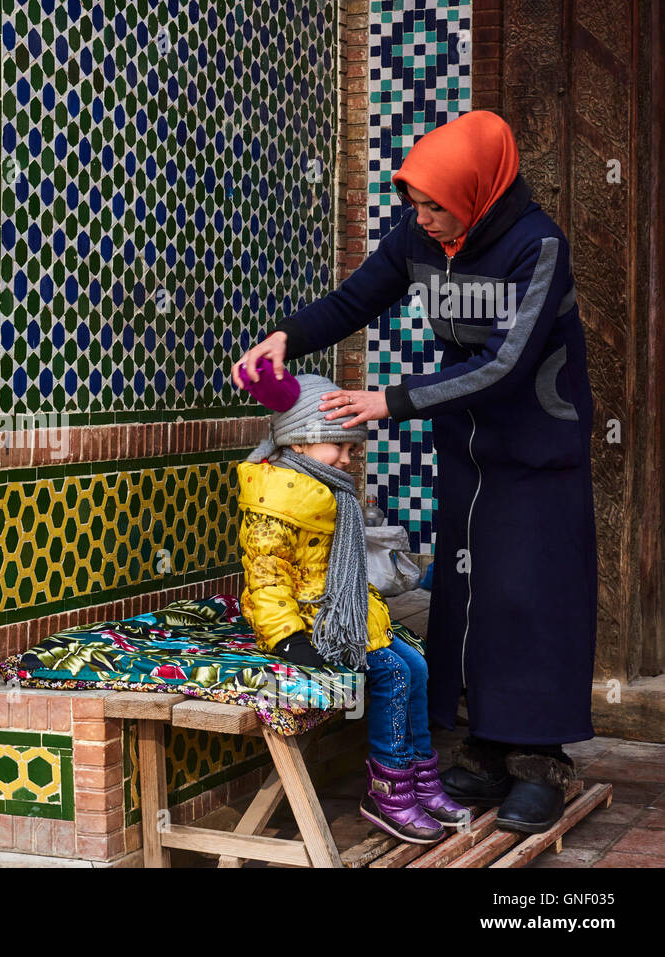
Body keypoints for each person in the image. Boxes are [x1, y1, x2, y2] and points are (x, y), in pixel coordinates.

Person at [232, 110, 596, 833]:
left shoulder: (537, 246)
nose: (421, 218)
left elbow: (506, 363)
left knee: (535, 596)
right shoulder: (419, 236)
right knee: (474, 591)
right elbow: (355, 299)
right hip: (468, 444)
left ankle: (539, 762)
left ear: (478, 193)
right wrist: (286, 337)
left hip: (538, 446)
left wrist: (389, 401)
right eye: (415, 203)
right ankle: (487, 748)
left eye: (436, 205)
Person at [236, 364, 469, 843]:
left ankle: (421, 779)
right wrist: (287, 639)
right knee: (394, 673)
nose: (347, 459)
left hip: (340, 614)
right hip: (308, 625)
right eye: (338, 446)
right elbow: (265, 577)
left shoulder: (326, 487)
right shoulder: (275, 497)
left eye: (352, 449)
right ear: (300, 442)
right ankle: (388, 789)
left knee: (417, 664)